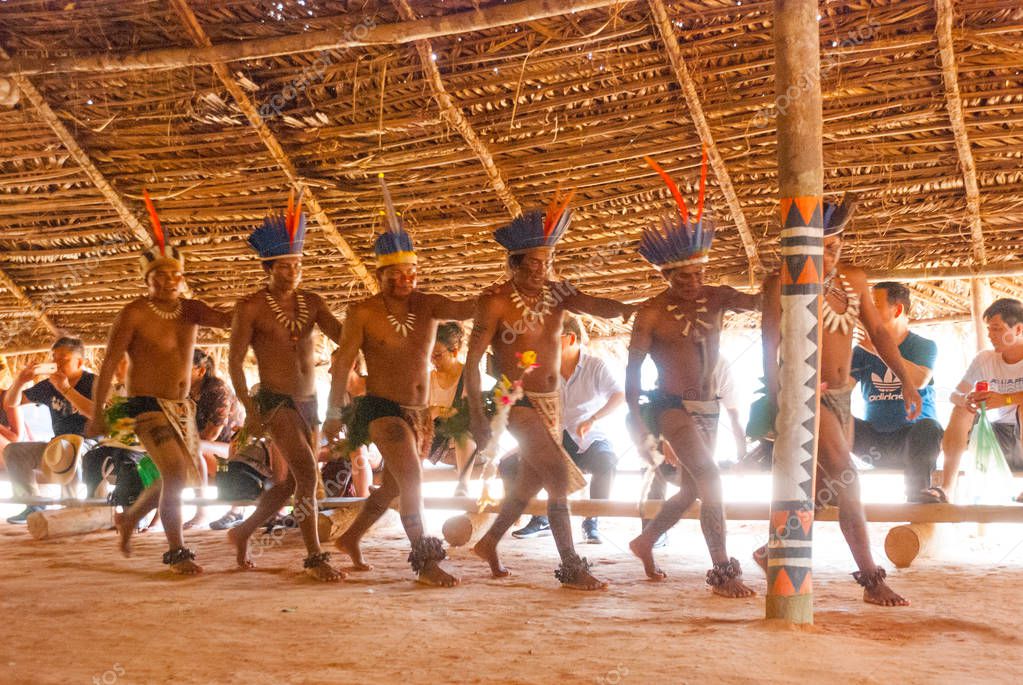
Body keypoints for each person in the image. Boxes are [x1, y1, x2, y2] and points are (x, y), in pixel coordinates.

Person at [465, 191, 633, 591]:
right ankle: (572, 566)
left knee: (529, 483)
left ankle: (488, 542)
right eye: (534, 263)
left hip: (552, 404)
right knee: (557, 475)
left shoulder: (558, 296)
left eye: (548, 262)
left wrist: (630, 309)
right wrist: (476, 416)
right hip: (516, 401)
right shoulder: (495, 302)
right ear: (515, 263)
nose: (542, 270)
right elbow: (471, 363)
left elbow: (594, 303)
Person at [759, 195, 918, 606]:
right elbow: (769, 345)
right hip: (806, 395)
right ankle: (872, 581)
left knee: (820, 489)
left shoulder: (854, 280)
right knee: (849, 479)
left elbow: (879, 333)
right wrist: (781, 400)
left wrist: (906, 380)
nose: (829, 254)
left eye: (835, 246)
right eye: (820, 247)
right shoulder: (781, 283)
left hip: (843, 397)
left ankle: (770, 551)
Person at [324, 173, 476, 587]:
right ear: (380, 275)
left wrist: (502, 294)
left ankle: (350, 537)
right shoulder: (363, 312)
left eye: (410, 272)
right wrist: (334, 413)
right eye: (395, 274)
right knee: (412, 479)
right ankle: (425, 560)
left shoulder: (429, 305)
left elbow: (468, 308)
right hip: (380, 409)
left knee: (392, 486)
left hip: (418, 414)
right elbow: (343, 363)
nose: (404, 279)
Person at [624, 156, 757, 598]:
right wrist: (638, 424)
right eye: (684, 276)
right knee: (711, 478)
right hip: (670, 407)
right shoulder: (651, 313)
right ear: (667, 274)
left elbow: (760, 303)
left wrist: (787, 277)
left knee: (689, 491)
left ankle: (645, 541)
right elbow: (632, 374)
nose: (694, 282)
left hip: (710, 406)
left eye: (699, 273)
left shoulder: (718, 297)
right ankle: (723, 571)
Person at [86, 191, 231, 574]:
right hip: (146, 406)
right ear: (147, 279)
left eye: (174, 275)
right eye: (160, 276)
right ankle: (177, 551)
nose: (168, 282)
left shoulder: (192, 310)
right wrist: (98, 414)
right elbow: (108, 365)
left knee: (177, 476)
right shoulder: (134, 313)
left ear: (183, 278)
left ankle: (132, 518)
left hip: (182, 409)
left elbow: (230, 321)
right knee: (175, 474)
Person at [226, 191, 346, 582]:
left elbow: (344, 338)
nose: (292, 271)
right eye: (284, 266)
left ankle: (243, 531)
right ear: (269, 267)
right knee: (309, 475)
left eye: (297, 264)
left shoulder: (313, 302)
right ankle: (314, 557)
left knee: (294, 480)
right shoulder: (251, 307)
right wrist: (250, 410)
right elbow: (234, 362)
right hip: (275, 402)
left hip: (310, 402)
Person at [501, 312, 624, 543]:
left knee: (606, 462)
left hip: (588, 438)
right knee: (508, 465)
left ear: (570, 338)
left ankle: (592, 521)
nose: (546, 343)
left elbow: (619, 395)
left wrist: (593, 419)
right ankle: (540, 518)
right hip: (552, 439)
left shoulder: (595, 366)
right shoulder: (543, 370)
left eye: (552, 337)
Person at [850, 282, 943, 502]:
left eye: (875, 305)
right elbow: (841, 389)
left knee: (930, 427)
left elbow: (919, 381)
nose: (867, 311)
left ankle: (918, 494)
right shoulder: (860, 351)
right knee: (830, 416)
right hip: (873, 443)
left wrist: (877, 349)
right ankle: (840, 490)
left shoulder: (923, 346)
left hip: (912, 445)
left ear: (898, 309)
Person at [936, 297, 1023, 501]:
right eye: (989, 329)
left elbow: (1009, 401)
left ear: (1018, 329)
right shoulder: (985, 359)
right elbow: (954, 394)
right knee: (962, 408)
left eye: (997, 329)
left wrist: (1005, 399)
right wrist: (967, 399)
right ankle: (946, 489)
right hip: (997, 440)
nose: (990, 335)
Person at [4, 336, 95, 523]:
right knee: (13, 451)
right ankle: (33, 505)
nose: (56, 363)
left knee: (68, 448)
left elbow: (97, 414)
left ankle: (70, 508)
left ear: (80, 362)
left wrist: (66, 389)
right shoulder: (49, 385)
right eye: (54, 358)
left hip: (91, 445)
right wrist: (20, 381)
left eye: (63, 359)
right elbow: (11, 403)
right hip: (58, 445)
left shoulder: (95, 383)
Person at [428, 322, 475, 496]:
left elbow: (467, 412)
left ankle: (463, 485)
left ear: (454, 351)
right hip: (438, 448)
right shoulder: (428, 379)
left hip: (470, 448)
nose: (433, 361)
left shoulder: (469, 375)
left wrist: (438, 411)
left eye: (437, 355)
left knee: (463, 428)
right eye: (430, 356)